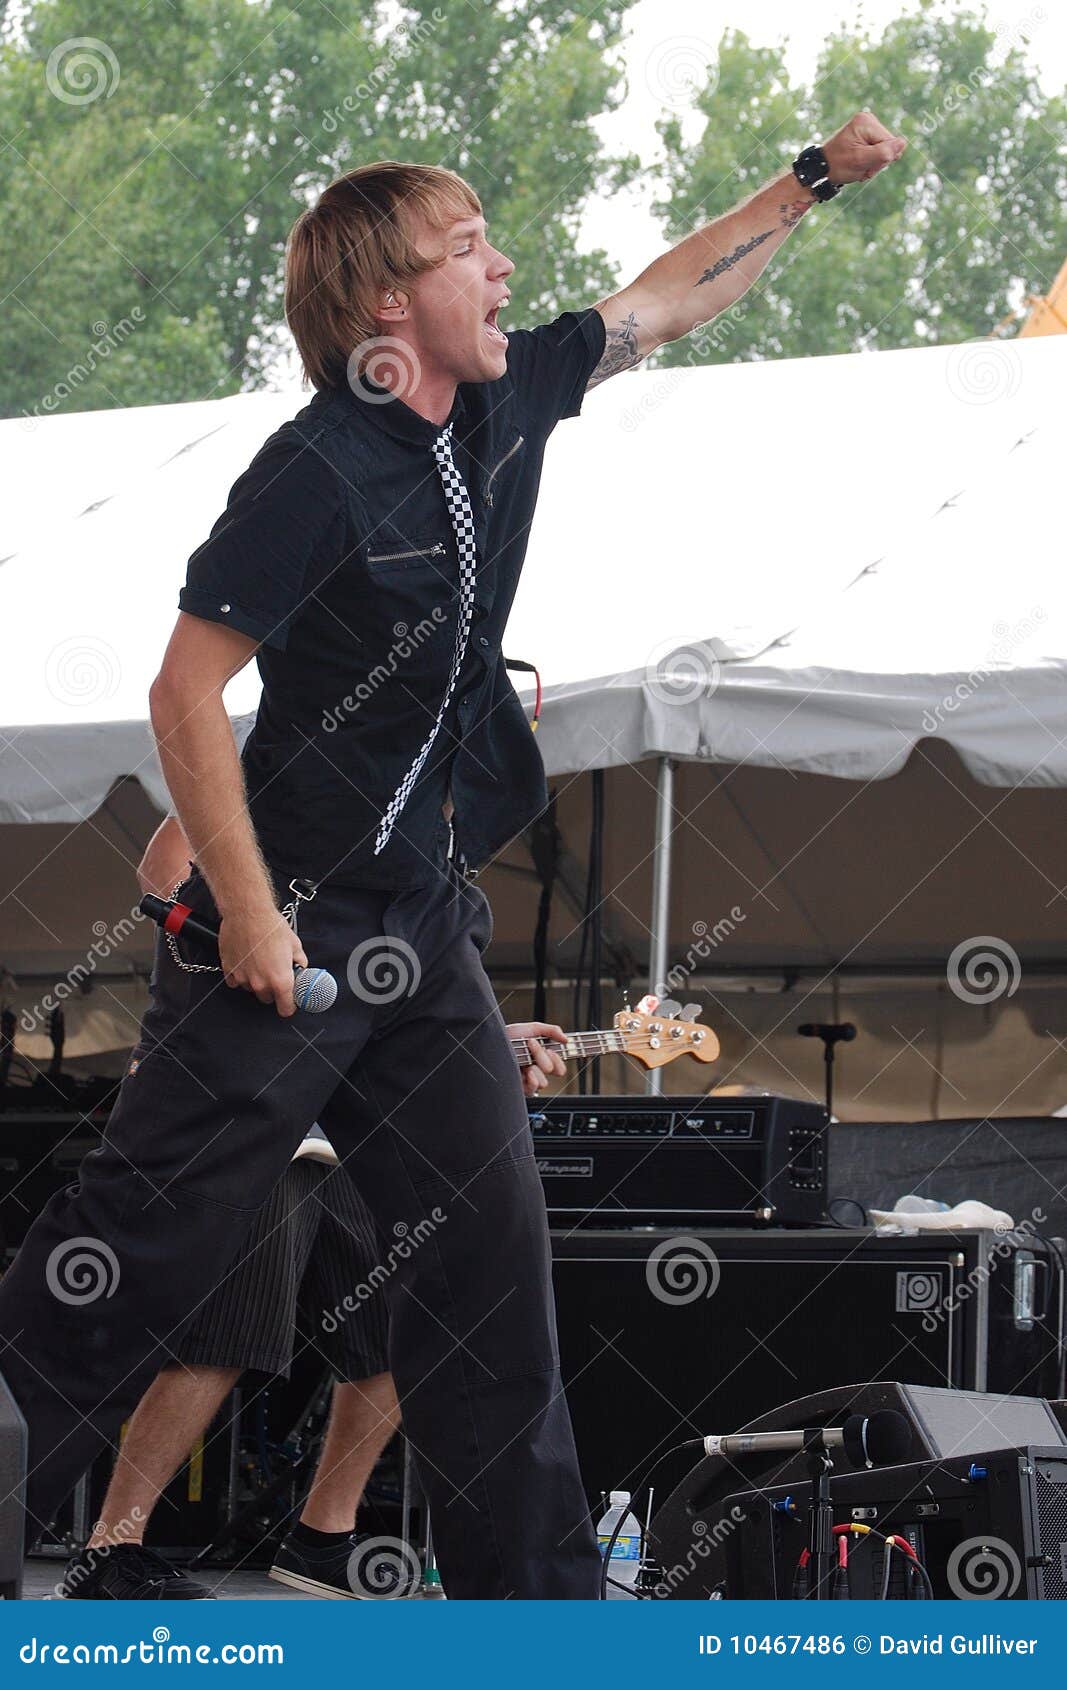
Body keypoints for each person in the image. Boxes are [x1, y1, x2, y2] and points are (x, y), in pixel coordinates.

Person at [0, 116, 905, 1599]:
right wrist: (238, 909)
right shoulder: (312, 474)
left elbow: (670, 293)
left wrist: (804, 182)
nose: (503, 266)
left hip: (416, 925)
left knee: (488, 1277)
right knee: (139, 1256)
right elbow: (182, 694)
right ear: (382, 305)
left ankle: (541, 1620)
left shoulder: (502, 404)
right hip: (278, 925)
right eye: (469, 244)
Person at [62, 812, 568, 1601]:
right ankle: (111, 1546)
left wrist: (486, 1051)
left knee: (404, 1328)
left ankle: (322, 1535)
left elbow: (392, 1010)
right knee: (228, 1332)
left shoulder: (426, 824)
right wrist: (230, 952)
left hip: (354, 1135)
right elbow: (164, 861)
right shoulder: (292, 758)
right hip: (267, 1110)